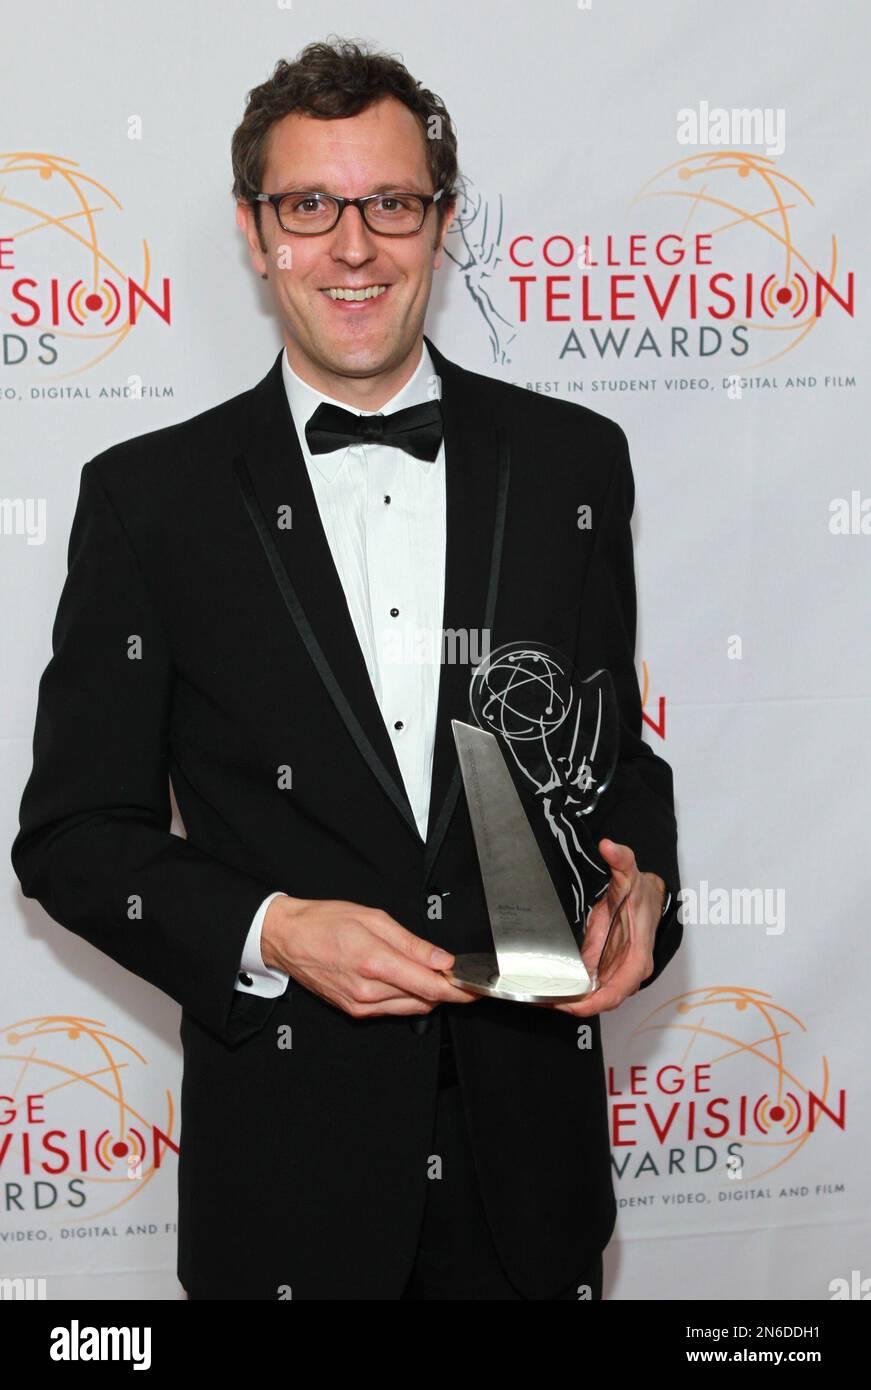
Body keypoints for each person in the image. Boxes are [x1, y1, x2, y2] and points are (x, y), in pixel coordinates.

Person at [11, 37, 682, 1300]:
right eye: (309, 206)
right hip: (288, 1183)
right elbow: (73, 836)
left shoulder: (571, 466)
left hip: (531, 1177)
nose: (354, 245)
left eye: (391, 203)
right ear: (255, 235)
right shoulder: (149, 501)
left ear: (440, 221)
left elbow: (610, 762)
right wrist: (275, 930)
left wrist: (644, 890)